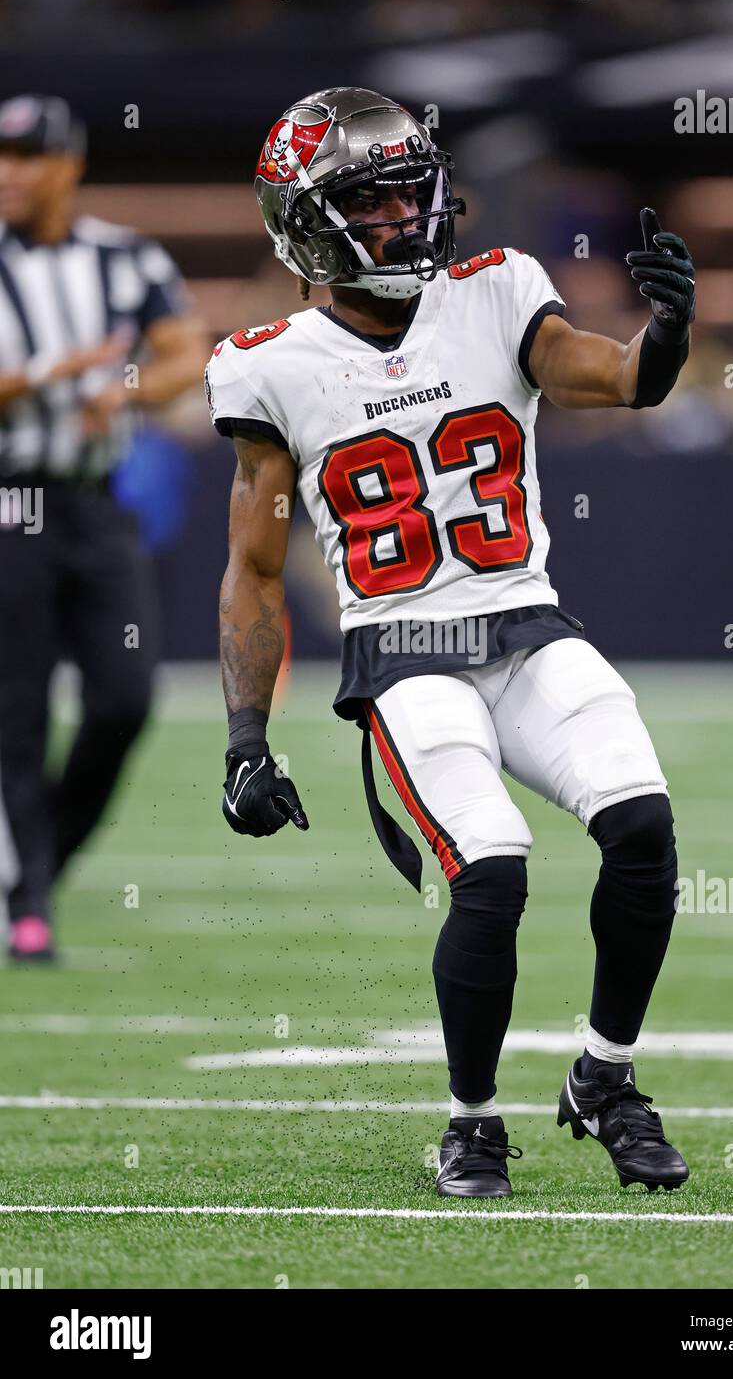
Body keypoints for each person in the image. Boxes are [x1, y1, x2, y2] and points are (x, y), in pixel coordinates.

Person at [206, 88, 695, 1197]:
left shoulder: (496, 294)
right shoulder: (268, 364)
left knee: (642, 823)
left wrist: (663, 334)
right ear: (305, 226)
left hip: (523, 623)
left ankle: (604, 1078)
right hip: (403, 647)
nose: (404, 212)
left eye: (408, 185)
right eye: (369, 199)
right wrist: (246, 737)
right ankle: (472, 1121)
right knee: (494, 865)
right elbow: (253, 568)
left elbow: (616, 378)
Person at [0, 95, 210, 961]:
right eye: (4, 158)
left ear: (70, 165)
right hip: (10, 501)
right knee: (16, 709)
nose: (12, 174)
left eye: (28, 157)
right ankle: (31, 901)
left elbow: (187, 352)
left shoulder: (122, 257)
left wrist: (121, 387)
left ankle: (37, 865)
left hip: (93, 499)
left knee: (124, 696)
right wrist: (56, 373)